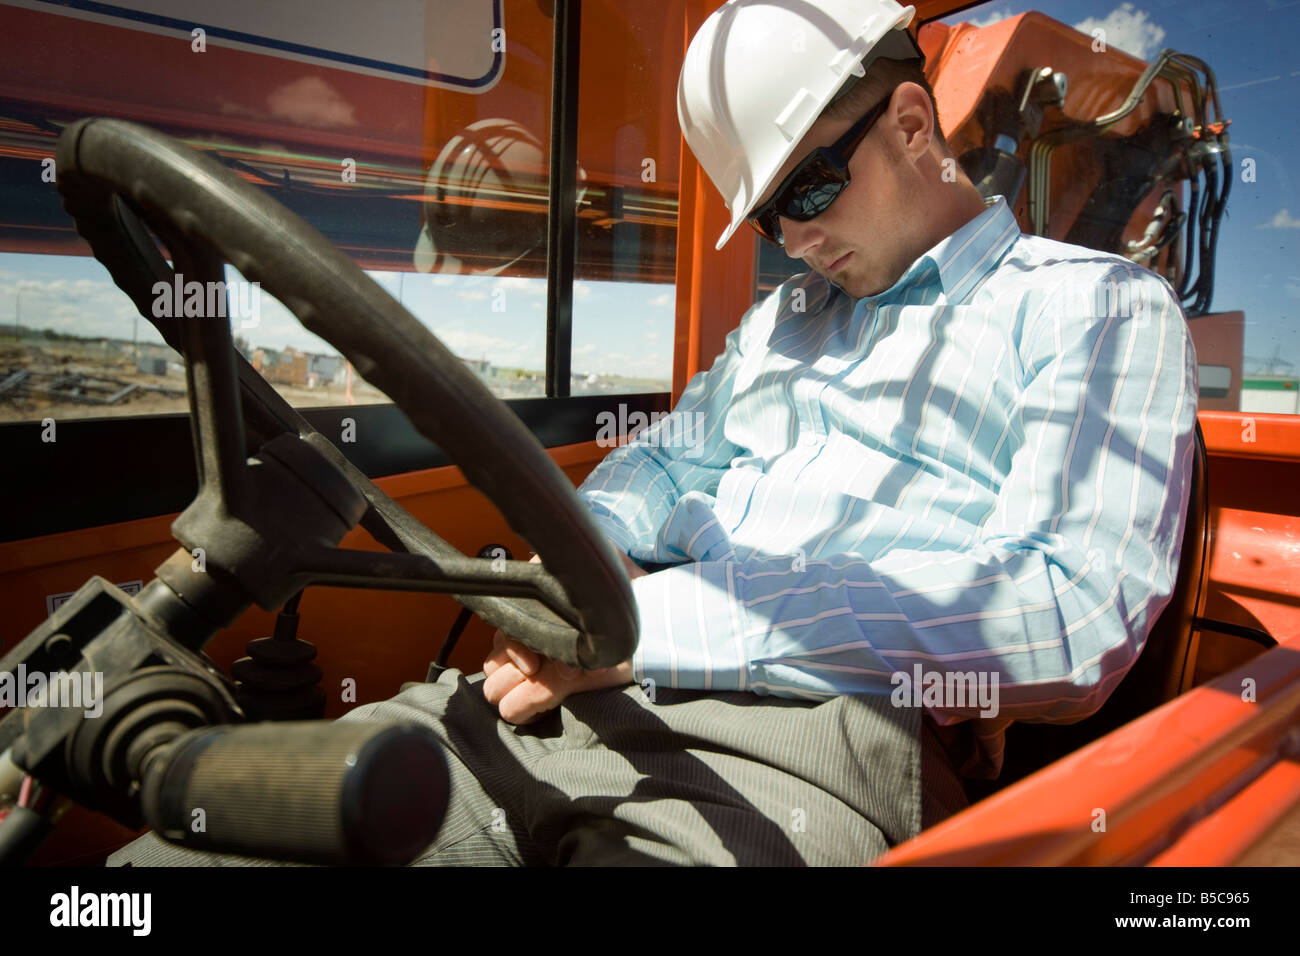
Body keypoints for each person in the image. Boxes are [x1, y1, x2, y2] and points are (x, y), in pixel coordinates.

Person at [111, 0, 1197, 867]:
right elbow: (662, 460)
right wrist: (574, 581)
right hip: (592, 676)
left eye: (810, 187)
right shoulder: (785, 321)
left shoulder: (1094, 308)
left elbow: (1069, 609)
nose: (795, 239)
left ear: (913, 125)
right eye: (768, 216)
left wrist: (650, 624)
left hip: (814, 746)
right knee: (216, 843)